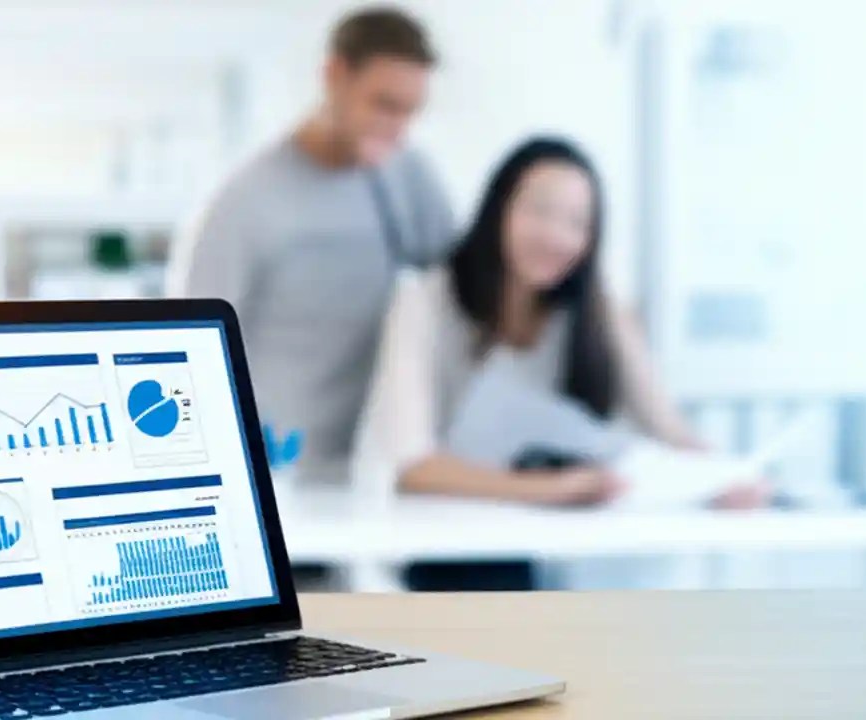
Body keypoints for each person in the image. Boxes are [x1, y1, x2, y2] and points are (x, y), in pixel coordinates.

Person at [355, 137, 767, 509]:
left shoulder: (599, 312)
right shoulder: (425, 301)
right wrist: (552, 488)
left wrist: (726, 477)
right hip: (444, 546)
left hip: (561, 546)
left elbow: (669, 430)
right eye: (541, 211)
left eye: (577, 223)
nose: (556, 236)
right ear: (500, 209)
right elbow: (411, 466)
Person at [168, 6, 455, 479]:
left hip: (356, 468)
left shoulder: (408, 178)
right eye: (383, 104)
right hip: (264, 464)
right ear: (335, 76)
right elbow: (189, 352)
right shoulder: (244, 202)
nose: (396, 127)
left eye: (410, 112)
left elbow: (465, 287)